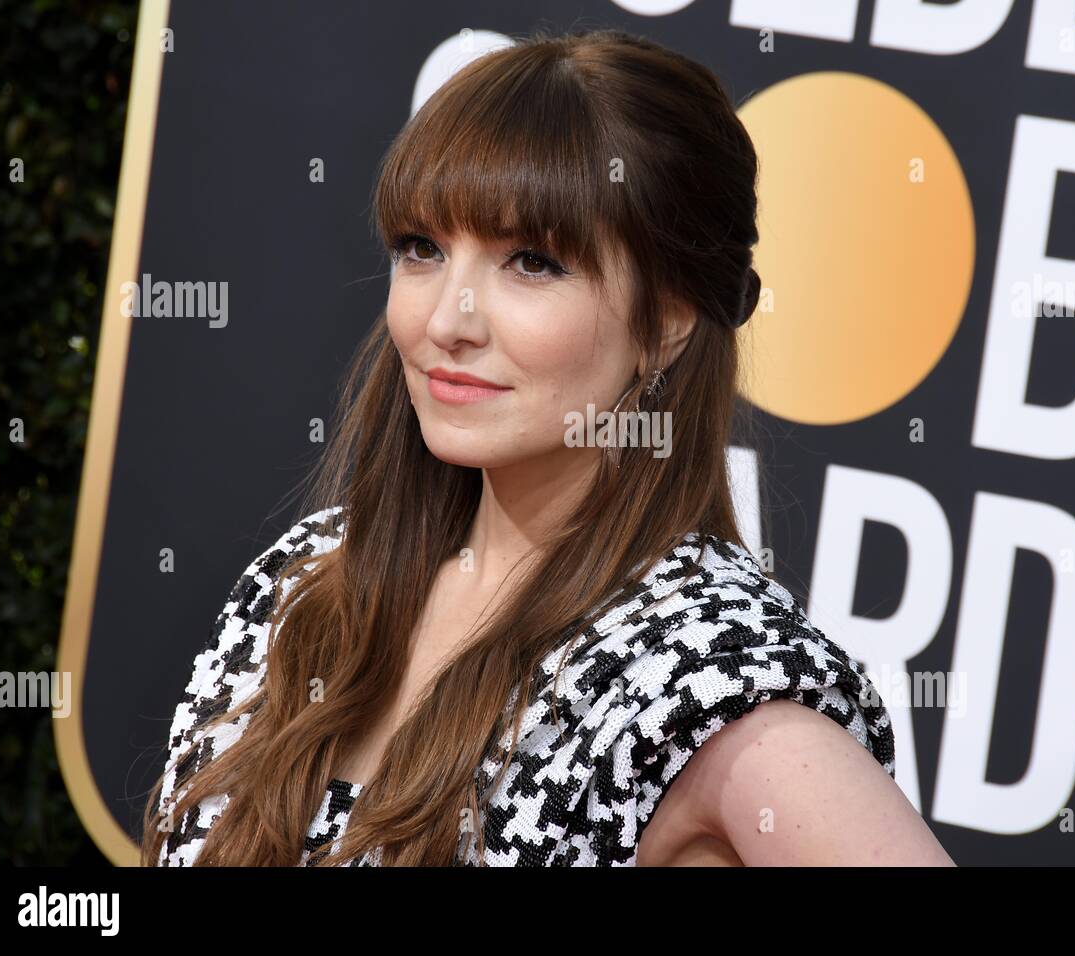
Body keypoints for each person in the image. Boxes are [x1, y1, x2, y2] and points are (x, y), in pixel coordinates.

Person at [142, 27, 954, 867]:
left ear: (669, 320)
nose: (447, 321)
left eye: (531, 263)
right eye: (422, 250)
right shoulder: (304, 584)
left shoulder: (704, 680)